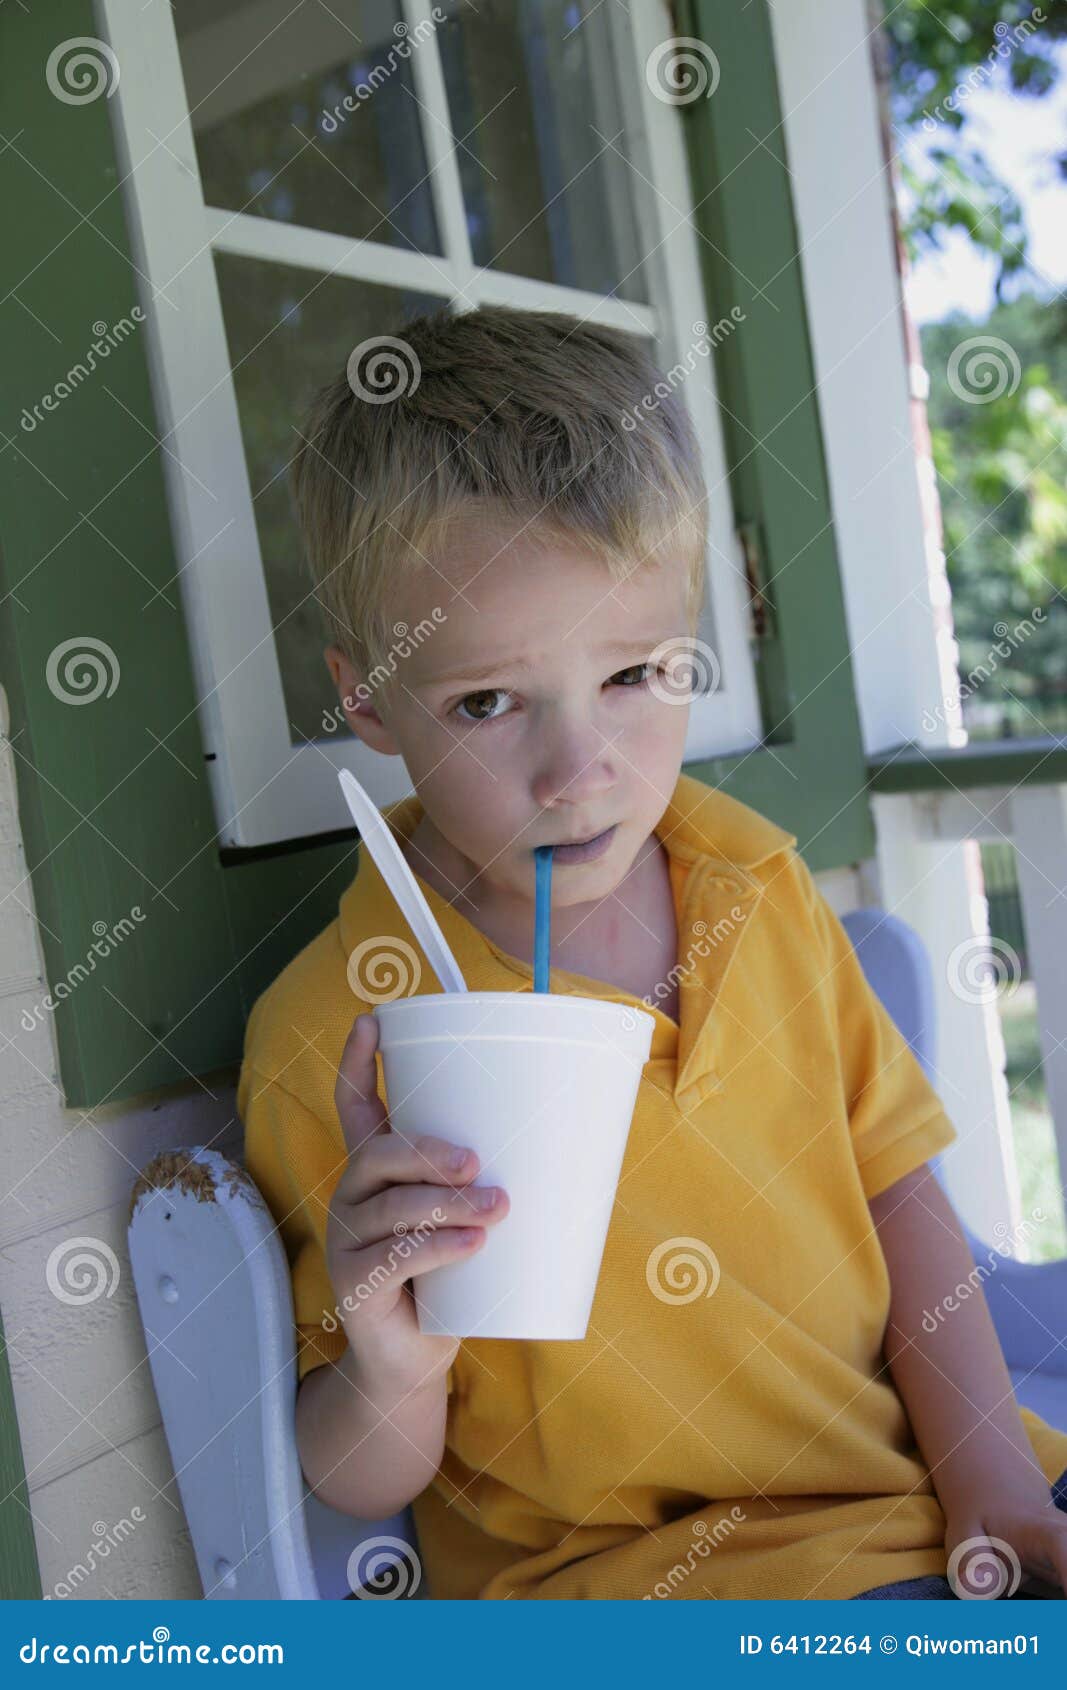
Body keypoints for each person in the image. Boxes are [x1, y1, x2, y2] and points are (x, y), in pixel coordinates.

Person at [238, 303, 1067, 1601]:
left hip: (940, 1496)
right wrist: (388, 1358)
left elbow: (899, 1191)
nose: (580, 772)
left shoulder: (754, 883)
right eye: (488, 702)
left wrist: (996, 1482)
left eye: (634, 675)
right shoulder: (334, 1038)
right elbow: (360, 1474)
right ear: (367, 698)